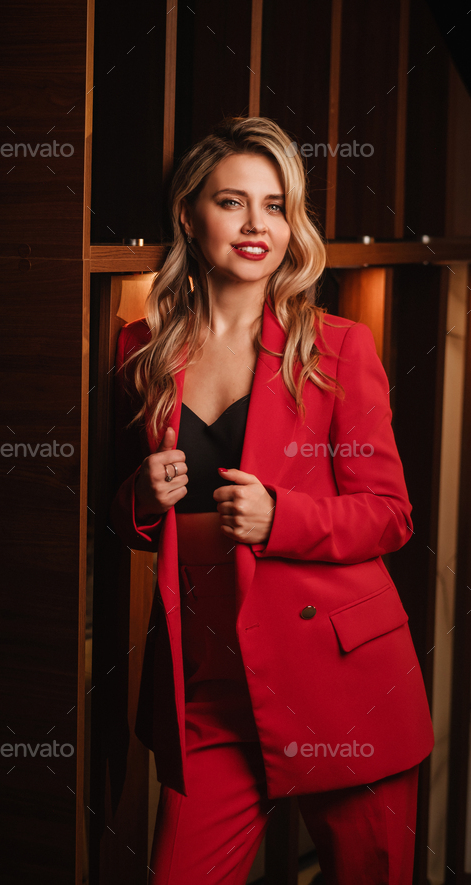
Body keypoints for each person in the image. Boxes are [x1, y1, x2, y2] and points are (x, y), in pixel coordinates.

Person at [109, 116, 434, 885]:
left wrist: (281, 516)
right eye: (233, 202)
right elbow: (124, 519)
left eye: (277, 205)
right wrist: (141, 495)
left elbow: (390, 510)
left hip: (343, 680)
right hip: (210, 685)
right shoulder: (141, 348)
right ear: (190, 212)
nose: (259, 225)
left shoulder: (339, 347)